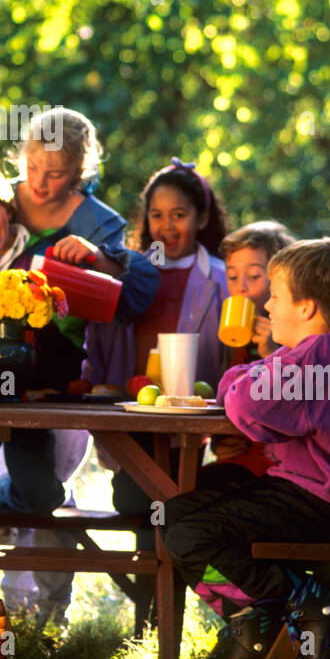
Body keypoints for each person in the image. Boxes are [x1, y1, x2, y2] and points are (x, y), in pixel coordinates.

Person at [0, 111, 159, 623]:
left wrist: (99, 258)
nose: (38, 181)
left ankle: (46, 610)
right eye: (32, 166)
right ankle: (21, 600)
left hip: (61, 371)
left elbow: (138, 289)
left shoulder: (97, 220)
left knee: (45, 482)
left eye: (54, 174)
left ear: (78, 173)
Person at [163, 237, 330, 659]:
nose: (266, 304)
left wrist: (246, 378)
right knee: (176, 516)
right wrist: (248, 376)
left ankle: (303, 605)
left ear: (308, 308)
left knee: (191, 536)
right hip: (322, 496)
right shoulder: (323, 353)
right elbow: (243, 388)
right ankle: (255, 625)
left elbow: (248, 409)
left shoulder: (317, 359)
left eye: (275, 294)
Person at [96, 157, 230, 536]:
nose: (166, 227)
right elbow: (101, 337)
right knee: (133, 500)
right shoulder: (131, 272)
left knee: (174, 501)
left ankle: (163, 590)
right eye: (156, 215)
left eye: (179, 215)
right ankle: (154, 588)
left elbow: (232, 356)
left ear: (202, 219)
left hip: (191, 421)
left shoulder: (221, 278)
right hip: (132, 412)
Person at [207, 220, 296, 479]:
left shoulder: (297, 334)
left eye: (254, 276)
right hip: (243, 459)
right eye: (233, 277)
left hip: (282, 466)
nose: (241, 287)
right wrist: (221, 440)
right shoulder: (235, 338)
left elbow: (298, 405)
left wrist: (271, 352)